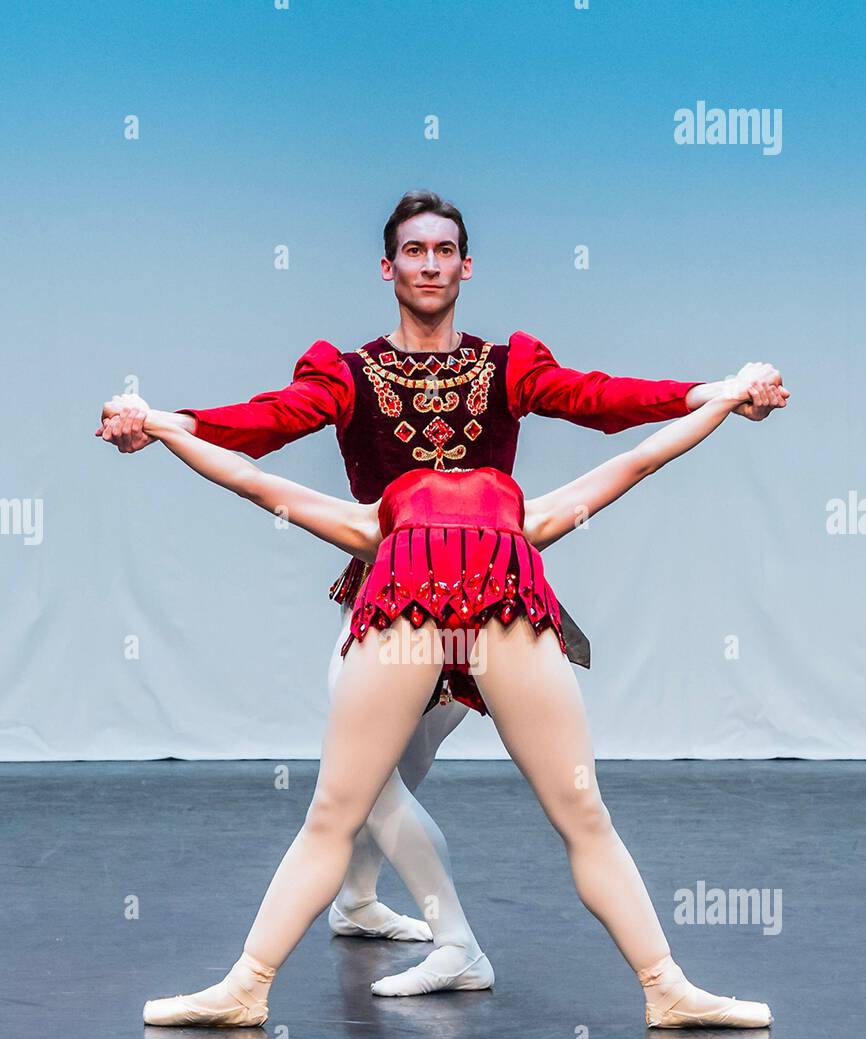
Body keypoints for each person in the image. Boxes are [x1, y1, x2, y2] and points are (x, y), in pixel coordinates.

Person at [96, 189, 788, 996]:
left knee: (392, 781)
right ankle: (445, 937)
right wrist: (162, 420)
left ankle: (358, 904)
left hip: (496, 595)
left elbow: (601, 404)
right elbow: (266, 427)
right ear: (389, 267)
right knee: (368, 786)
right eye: (414, 251)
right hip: (391, 599)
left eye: (444, 251)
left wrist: (715, 392)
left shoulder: (508, 366)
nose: (430, 264)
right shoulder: (348, 374)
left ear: (466, 266)